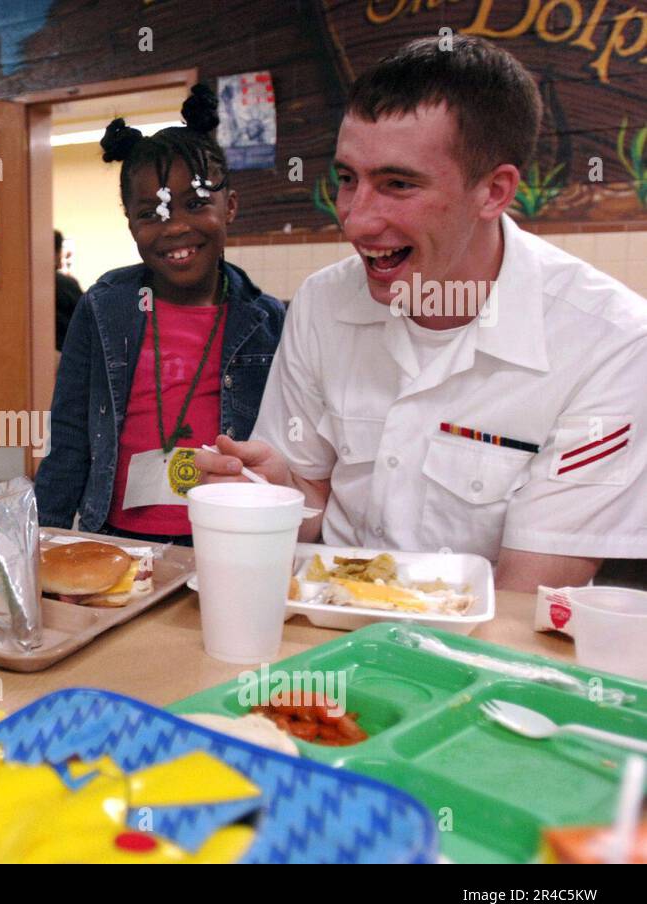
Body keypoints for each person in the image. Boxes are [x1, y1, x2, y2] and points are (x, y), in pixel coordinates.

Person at [196, 36, 647, 591]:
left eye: (398, 184)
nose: (356, 221)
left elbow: (521, 606)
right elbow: (311, 501)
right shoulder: (323, 302)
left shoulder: (610, 342)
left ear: (494, 191)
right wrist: (277, 494)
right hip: (319, 636)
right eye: (346, 179)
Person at [35, 83, 286, 546]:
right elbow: (70, 436)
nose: (174, 228)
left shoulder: (268, 322)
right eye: (151, 213)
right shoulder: (104, 307)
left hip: (227, 534)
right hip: (116, 537)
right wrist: (40, 543)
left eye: (195, 204)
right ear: (129, 221)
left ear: (229, 206)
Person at [54, 230, 83, 352]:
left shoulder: (18, 286)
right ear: (57, 253)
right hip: (65, 354)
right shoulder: (65, 284)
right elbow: (88, 319)